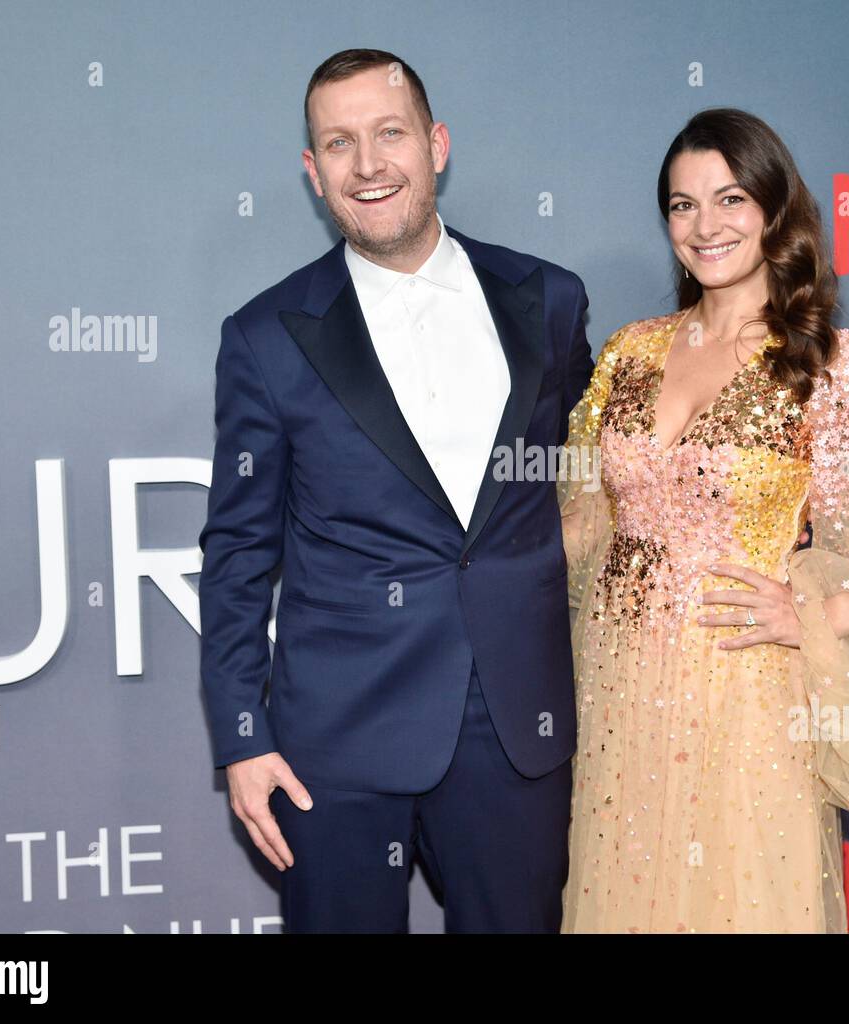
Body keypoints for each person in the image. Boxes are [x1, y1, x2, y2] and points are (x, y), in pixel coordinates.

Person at [557, 108, 849, 933]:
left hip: (747, 698)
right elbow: (583, 525)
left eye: (729, 198)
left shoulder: (826, 364)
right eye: (682, 204)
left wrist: (824, 611)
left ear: (773, 209)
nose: (705, 226)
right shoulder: (628, 352)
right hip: (619, 701)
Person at [198, 48, 595, 932]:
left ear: (437, 143)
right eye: (339, 144)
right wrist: (241, 737)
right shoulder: (267, 336)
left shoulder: (551, 300)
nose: (368, 164)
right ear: (312, 171)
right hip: (333, 743)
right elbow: (235, 554)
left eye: (389, 134)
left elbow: (588, 487)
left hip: (515, 730)